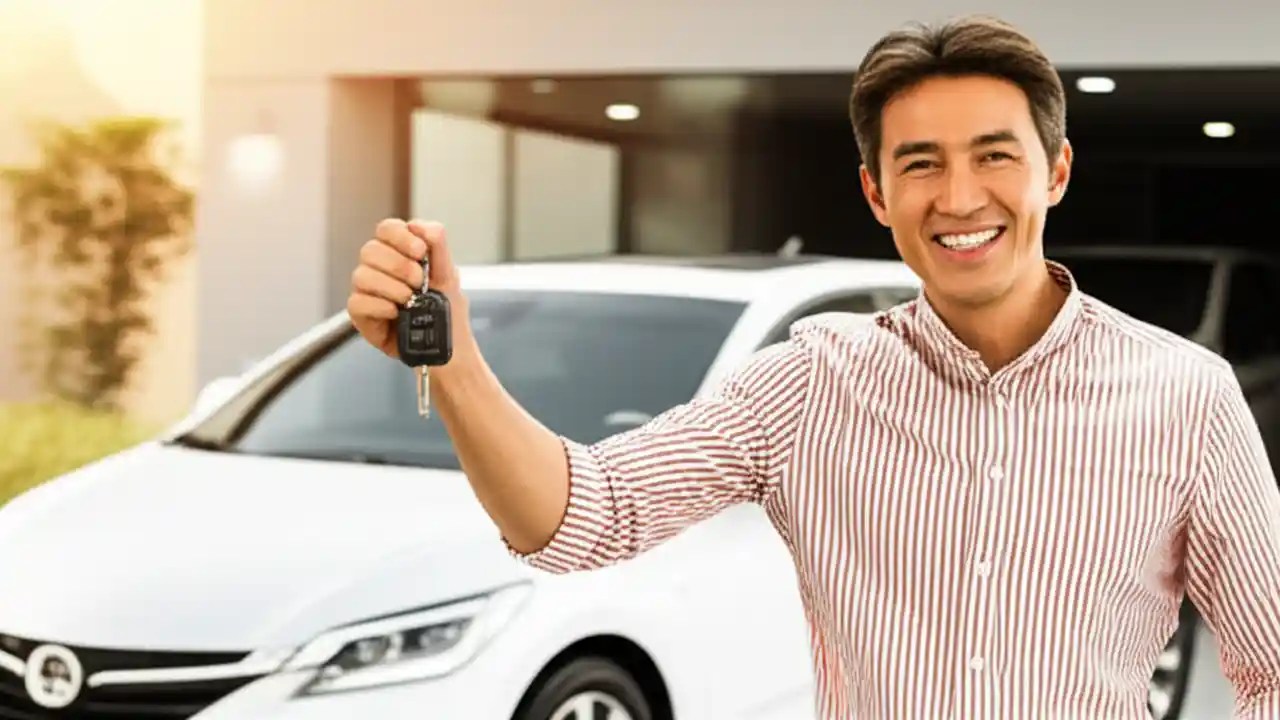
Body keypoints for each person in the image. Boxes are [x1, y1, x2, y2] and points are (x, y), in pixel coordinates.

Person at [346, 14, 1280, 719]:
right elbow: (586, 518)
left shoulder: (1185, 396)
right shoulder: (809, 385)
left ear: (1056, 171)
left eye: (995, 156)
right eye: (920, 164)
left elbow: (1268, 660)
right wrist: (456, 362)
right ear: (877, 192)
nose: (960, 197)